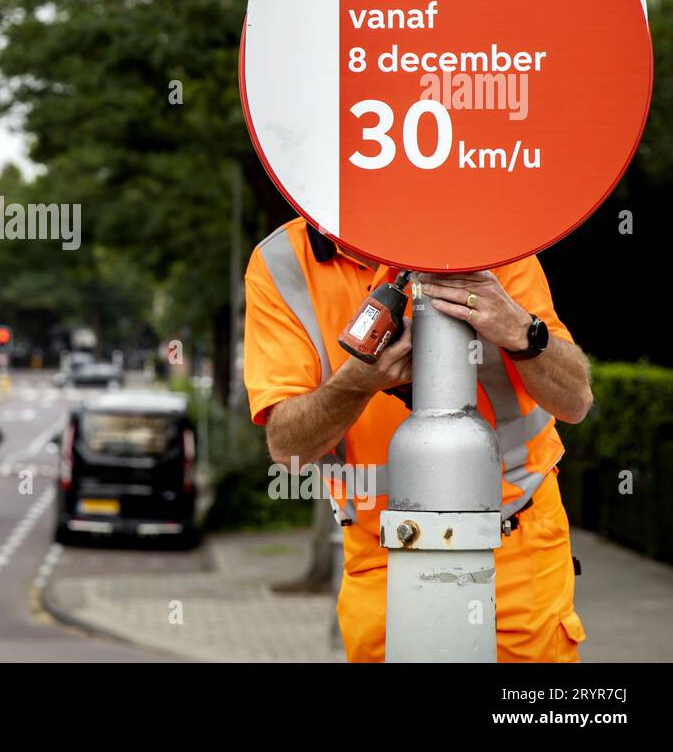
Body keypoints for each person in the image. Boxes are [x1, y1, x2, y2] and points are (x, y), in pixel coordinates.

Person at [243, 219, 594, 662]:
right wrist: (354, 384)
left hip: (514, 542)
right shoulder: (283, 261)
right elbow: (288, 451)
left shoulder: (491, 231)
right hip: (381, 552)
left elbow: (576, 401)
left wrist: (522, 331)